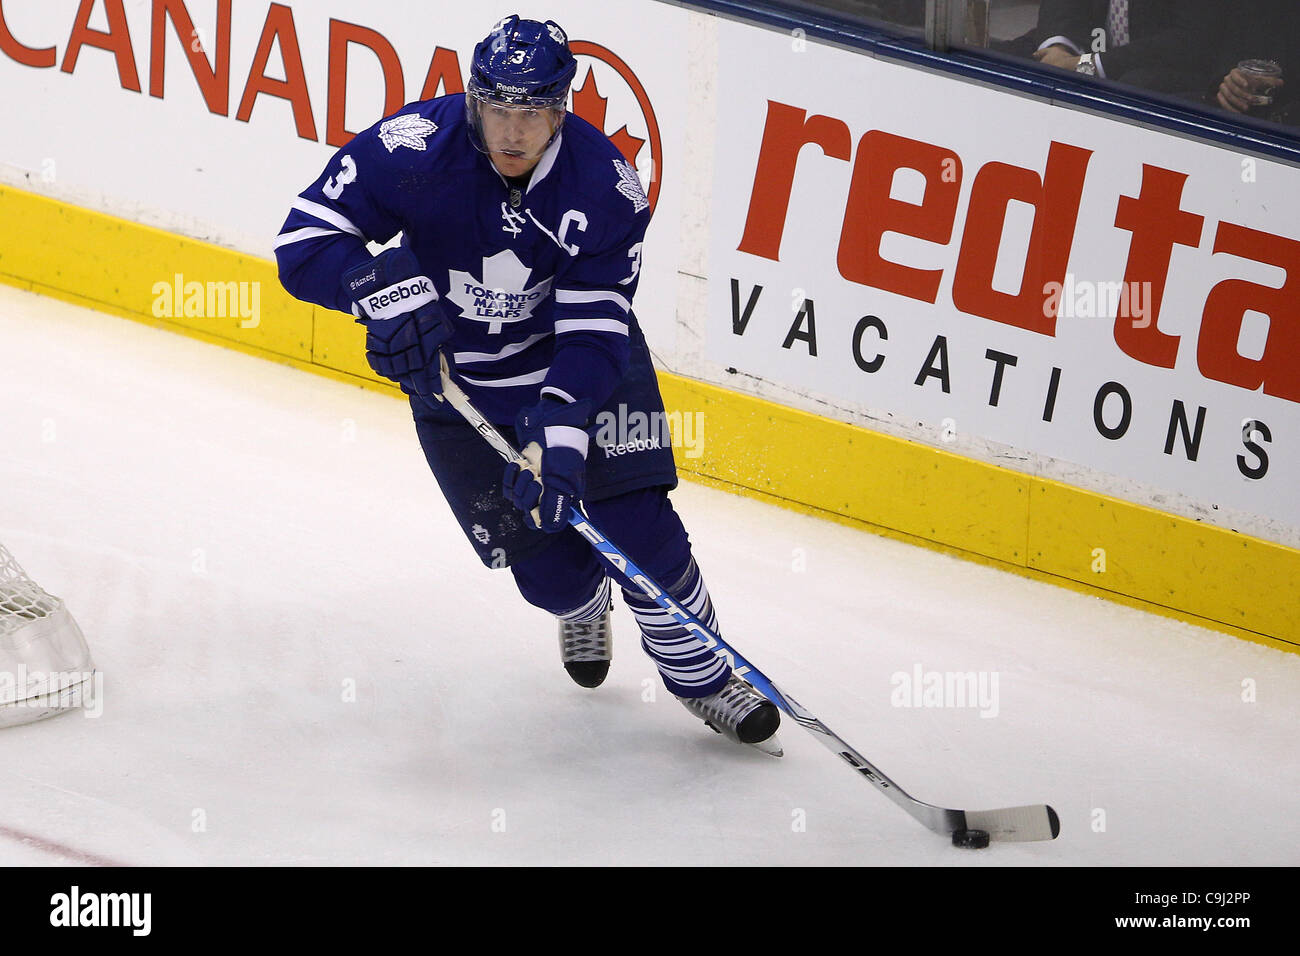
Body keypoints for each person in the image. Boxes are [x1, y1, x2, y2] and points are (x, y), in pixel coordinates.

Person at [273, 16, 780, 751]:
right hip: (459, 392)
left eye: (533, 113)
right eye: (499, 110)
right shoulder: (411, 148)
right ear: (473, 100)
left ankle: (703, 676)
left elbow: (595, 324)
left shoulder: (607, 187)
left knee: (642, 535)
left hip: (579, 370)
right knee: (551, 580)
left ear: (561, 109)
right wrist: (375, 288)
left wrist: (562, 431)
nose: (513, 132)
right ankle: (585, 601)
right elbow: (302, 242)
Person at [1030, 0, 1214, 94]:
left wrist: (1087, 65)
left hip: (1163, 67)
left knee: (1134, 85)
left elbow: (1186, 41)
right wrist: (1058, 47)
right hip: (1092, 43)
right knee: (1015, 56)